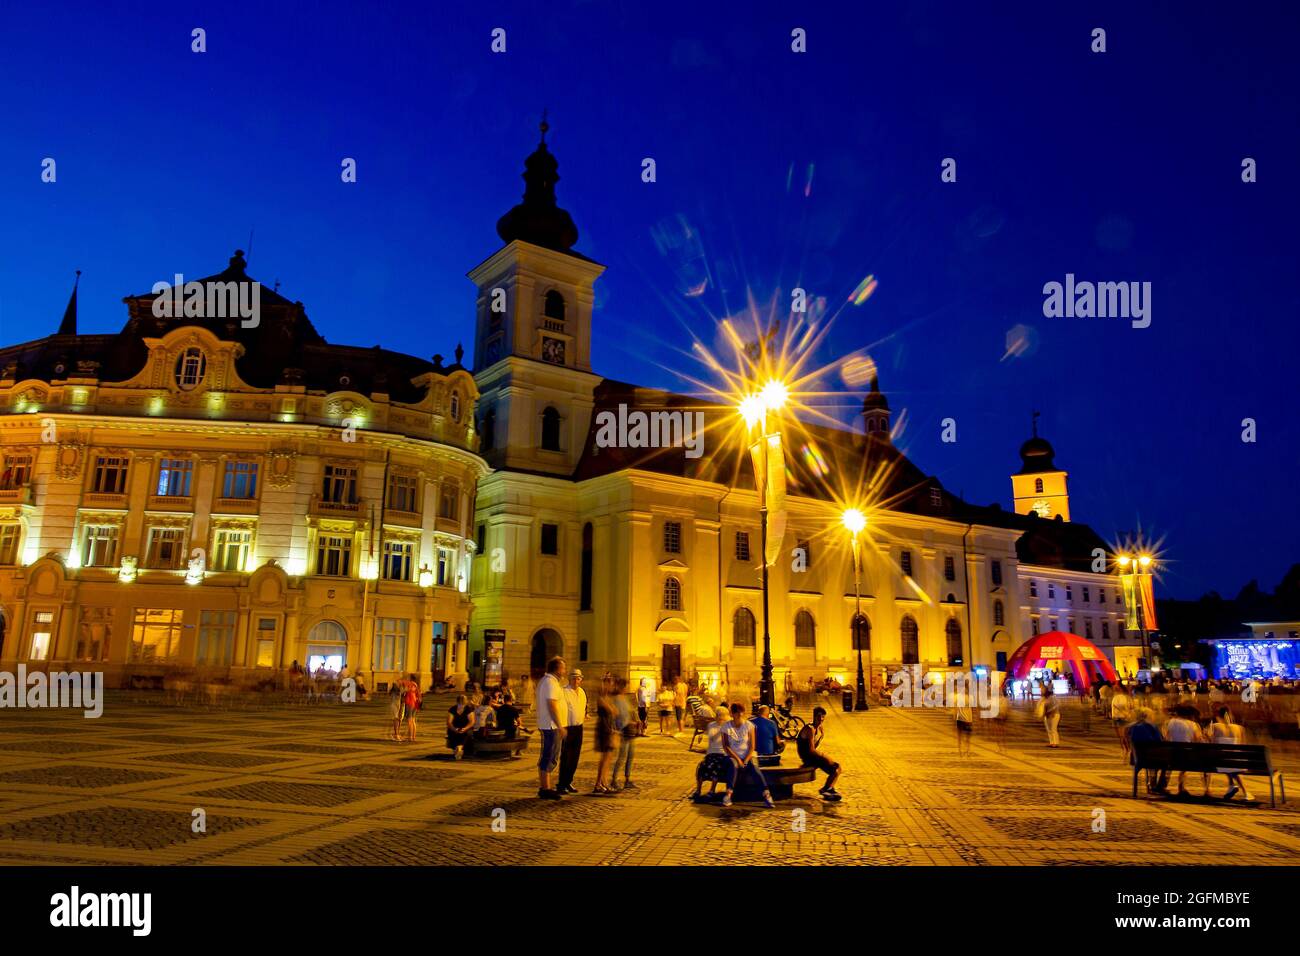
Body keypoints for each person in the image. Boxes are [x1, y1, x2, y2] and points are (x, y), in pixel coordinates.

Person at [720, 702, 775, 808]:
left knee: (754, 767)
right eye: (736, 713)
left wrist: (745, 760)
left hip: (748, 755)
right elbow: (726, 746)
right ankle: (728, 794)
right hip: (733, 755)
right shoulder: (726, 727)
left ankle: (767, 794)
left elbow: (752, 746)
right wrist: (738, 759)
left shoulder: (749, 726)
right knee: (733, 765)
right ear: (732, 714)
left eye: (741, 713)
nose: (739, 716)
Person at [535, 657, 568, 800]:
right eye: (563, 668)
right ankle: (545, 788)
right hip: (551, 725)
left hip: (549, 724)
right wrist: (560, 725)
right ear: (557, 669)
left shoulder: (548, 681)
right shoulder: (550, 682)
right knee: (550, 756)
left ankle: (546, 787)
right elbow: (552, 704)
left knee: (550, 755)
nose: (564, 671)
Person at [796, 706, 842, 801]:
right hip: (808, 757)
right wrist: (824, 756)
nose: (821, 719)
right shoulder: (810, 729)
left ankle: (828, 788)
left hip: (812, 757)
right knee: (835, 768)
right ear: (814, 716)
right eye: (819, 716)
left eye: (823, 717)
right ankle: (826, 789)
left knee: (837, 769)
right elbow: (811, 750)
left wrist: (821, 737)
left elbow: (815, 747)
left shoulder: (819, 729)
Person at [1209, 706, 1253, 801]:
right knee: (1232, 764)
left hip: (1221, 762)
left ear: (1218, 716)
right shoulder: (1239, 728)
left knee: (1226, 761)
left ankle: (1232, 785)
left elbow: (1213, 744)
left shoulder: (1215, 727)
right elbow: (1242, 746)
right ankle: (1245, 792)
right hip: (1236, 762)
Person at [693, 706, 734, 801]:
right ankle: (698, 790)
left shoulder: (729, 726)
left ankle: (712, 790)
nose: (720, 719)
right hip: (711, 752)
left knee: (716, 766)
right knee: (702, 767)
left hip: (722, 753)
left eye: (722, 717)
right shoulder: (712, 725)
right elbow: (712, 737)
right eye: (718, 716)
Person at [1164, 704, 1206, 797]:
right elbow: (1199, 741)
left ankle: (1172, 786)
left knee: (1179, 757)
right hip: (1188, 758)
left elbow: (1166, 738)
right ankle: (1206, 790)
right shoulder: (1193, 725)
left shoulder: (1171, 722)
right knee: (1201, 758)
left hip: (1172, 757)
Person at [556, 669, 587, 795]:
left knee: (575, 757)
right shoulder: (564, 691)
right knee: (566, 757)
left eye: (578, 678)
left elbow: (584, 707)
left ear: (581, 679)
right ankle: (561, 784)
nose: (576, 680)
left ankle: (568, 781)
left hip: (579, 727)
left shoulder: (582, 692)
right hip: (568, 727)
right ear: (569, 679)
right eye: (574, 678)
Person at [1126, 707, 1167, 793]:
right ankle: (1156, 785)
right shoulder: (1152, 727)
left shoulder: (1131, 727)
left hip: (1137, 758)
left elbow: (1128, 740)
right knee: (1165, 763)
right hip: (1152, 758)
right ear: (1148, 716)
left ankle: (1152, 783)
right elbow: (1159, 742)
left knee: (1154, 757)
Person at [610, 676, 638, 791]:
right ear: (622, 687)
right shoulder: (616, 699)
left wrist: (636, 720)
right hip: (622, 731)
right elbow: (617, 715)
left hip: (630, 731)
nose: (627, 688)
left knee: (630, 755)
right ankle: (614, 780)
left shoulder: (625, 698)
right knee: (621, 756)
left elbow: (630, 711)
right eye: (626, 686)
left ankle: (627, 779)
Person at [593, 676, 618, 795]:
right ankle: (600, 783)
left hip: (609, 727)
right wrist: (612, 709)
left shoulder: (608, 698)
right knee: (605, 757)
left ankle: (603, 782)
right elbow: (613, 711)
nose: (612, 686)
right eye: (610, 684)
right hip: (604, 728)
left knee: (608, 757)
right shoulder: (602, 698)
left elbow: (615, 712)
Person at [446, 694, 474, 759]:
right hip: (455, 727)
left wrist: (465, 728)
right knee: (451, 732)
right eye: (460, 704)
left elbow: (472, 722)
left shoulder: (468, 709)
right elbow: (449, 722)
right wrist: (454, 729)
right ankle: (457, 749)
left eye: (463, 704)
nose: (461, 706)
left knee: (466, 733)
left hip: (465, 727)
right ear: (457, 702)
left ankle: (459, 748)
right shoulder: (452, 709)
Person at [953, 684, 974, 757]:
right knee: (967, 737)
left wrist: (954, 717)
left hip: (960, 719)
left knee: (959, 736)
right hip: (967, 719)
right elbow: (970, 710)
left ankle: (960, 751)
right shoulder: (969, 698)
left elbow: (955, 709)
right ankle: (967, 750)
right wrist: (971, 720)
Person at [402, 674, 421, 742]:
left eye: (407, 677)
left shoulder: (411, 684)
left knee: (410, 721)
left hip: (410, 703)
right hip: (414, 703)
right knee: (413, 720)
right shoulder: (415, 684)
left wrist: (404, 687)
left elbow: (405, 690)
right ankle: (413, 736)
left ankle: (410, 737)